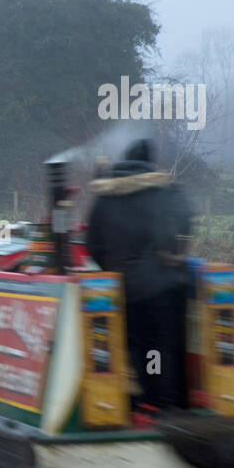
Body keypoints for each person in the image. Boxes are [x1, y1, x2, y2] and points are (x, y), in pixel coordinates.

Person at [85, 138, 193, 411]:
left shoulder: (104, 198)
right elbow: (184, 219)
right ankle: (166, 405)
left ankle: (140, 404)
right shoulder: (163, 192)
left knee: (133, 347)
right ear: (150, 163)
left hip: (123, 289)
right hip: (163, 287)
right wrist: (171, 252)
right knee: (160, 348)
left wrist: (113, 268)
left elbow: (91, 244)